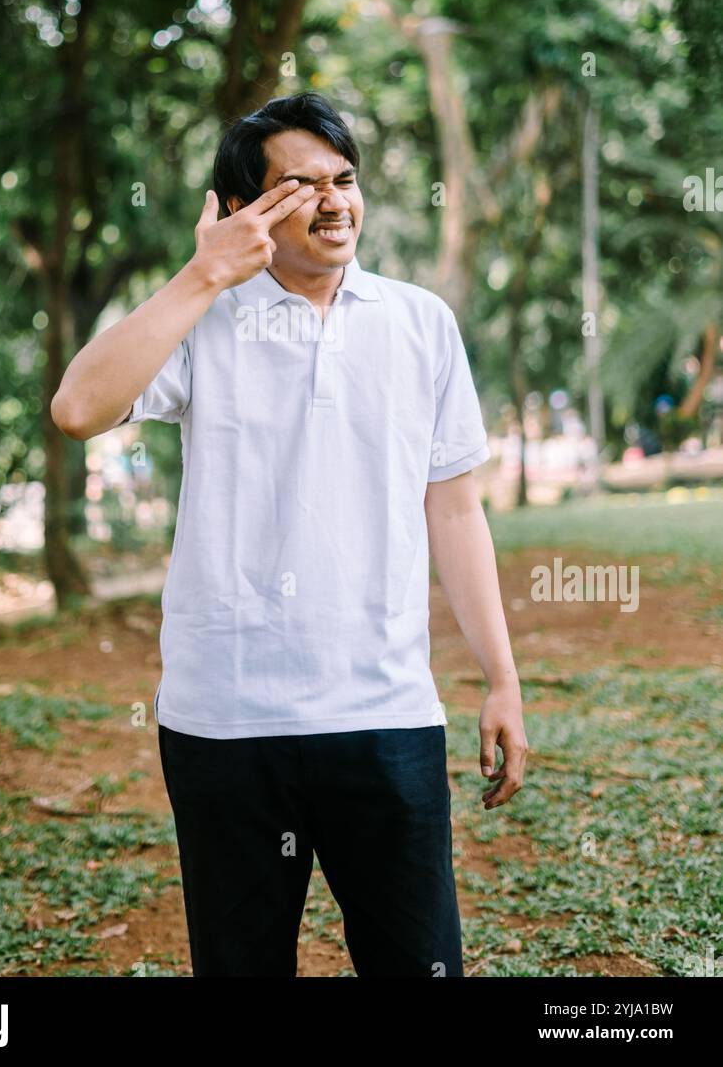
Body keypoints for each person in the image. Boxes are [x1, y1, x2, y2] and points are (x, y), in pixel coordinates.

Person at [51, 92, 528, 978]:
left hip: (386, 716)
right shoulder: (201, 322)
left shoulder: (420, 323)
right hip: (225, 723)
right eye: (299, 186)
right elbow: (78, 407)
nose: (334, 202)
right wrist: (203, 278)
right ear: (241, 210)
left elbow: (456, 510)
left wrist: (501, 679)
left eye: (344, 179)